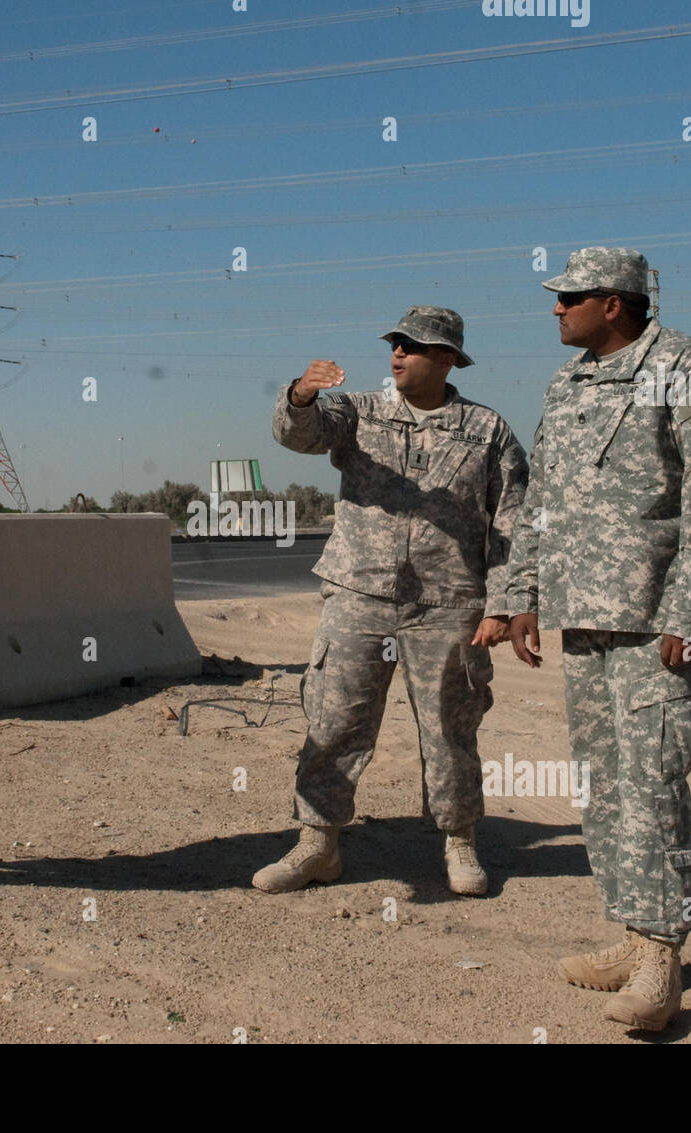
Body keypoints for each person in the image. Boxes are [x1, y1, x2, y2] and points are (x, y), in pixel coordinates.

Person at [505, 248, 691, 1030]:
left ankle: (661, 954)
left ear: (614, 302)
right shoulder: (569, 381)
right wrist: (521, 594)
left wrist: (690, 612)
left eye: (569, 297)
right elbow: (540, 497)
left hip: (655, 621)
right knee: (604, 783)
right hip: (585, 616)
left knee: (654, 780)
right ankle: (629, 925)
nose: (556, 309)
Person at [254, 307, 527, 896]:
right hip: (359, 592)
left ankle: (459, 842)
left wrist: (505, 602)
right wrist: (301, 394)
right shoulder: (360, 412)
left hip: (449, 601)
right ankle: (317, 844)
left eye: (415, 346)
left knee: (450, 727)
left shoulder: (487, 430)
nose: (399, 353)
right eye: (396, 343)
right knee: (334, 719)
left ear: (449, 358)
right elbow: (297, 435)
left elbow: (512, 523)